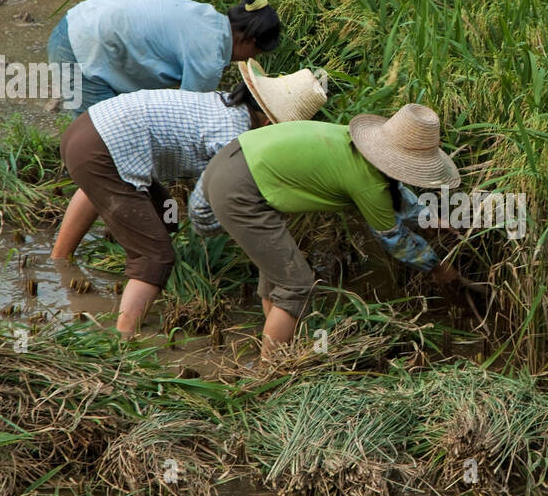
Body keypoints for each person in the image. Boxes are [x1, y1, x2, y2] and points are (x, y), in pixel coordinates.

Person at [52, 61, 327, 338]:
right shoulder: (234, 136)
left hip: (86, 130)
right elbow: (199, 210)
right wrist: (234, 228)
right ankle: (125, 340)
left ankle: (59, 262)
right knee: (155, 256)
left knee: (156, 215)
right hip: (103, 151)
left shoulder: (226, 104)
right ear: (268, 123)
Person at [197, 103, 461, 360]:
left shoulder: (357, 145)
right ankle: (269, 372)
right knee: (297, 285)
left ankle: (281, 353)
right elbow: (394, 238)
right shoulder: (368, 183)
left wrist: (430, 218)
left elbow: (395, 193)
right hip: (241, 189)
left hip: (233, 162)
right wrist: (437, 268)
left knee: (279, 277)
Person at [46, 0, 281, 110]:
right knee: (105, 145)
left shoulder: (207, 18)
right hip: (81, 48)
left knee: (106, 138)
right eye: (256, 54)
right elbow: (186, 118)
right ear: (249, 41)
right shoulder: (209, 58)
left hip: (75, 22)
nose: (250, 59)